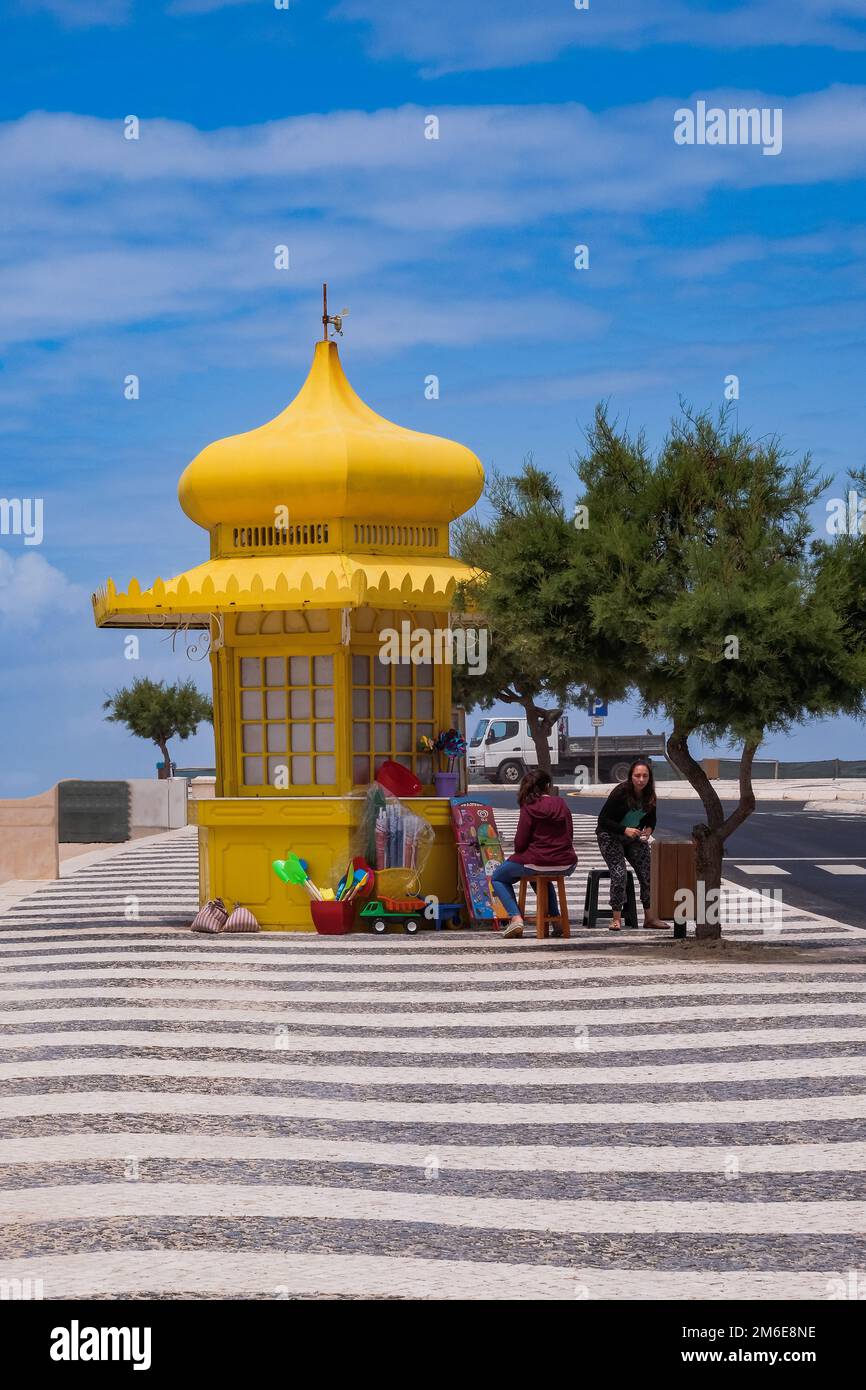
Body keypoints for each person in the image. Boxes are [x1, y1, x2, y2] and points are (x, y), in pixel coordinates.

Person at [492, 769, 577, 939]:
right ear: (547, 787)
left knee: (498, 877)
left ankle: (515, 918)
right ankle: (556, 921)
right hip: (566, 861)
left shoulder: (529, 807)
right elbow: (569, 834)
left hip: (537, 860)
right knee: (542, 879)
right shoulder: (561, 803)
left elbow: (520, 842)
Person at [596, 759, 666, 930]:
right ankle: (616, 918)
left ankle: (650, 917)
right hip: (610, 835)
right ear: (631, 776)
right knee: (620, 873)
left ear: (650, 778)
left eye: (645, 776)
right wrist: (624, 829)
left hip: (632, 837)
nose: (641, 780)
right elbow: (603, 820)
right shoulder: (621, 792)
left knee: (648, 872)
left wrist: (649, 830)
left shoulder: (650, 796)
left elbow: (651, 819)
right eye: (637, 776)